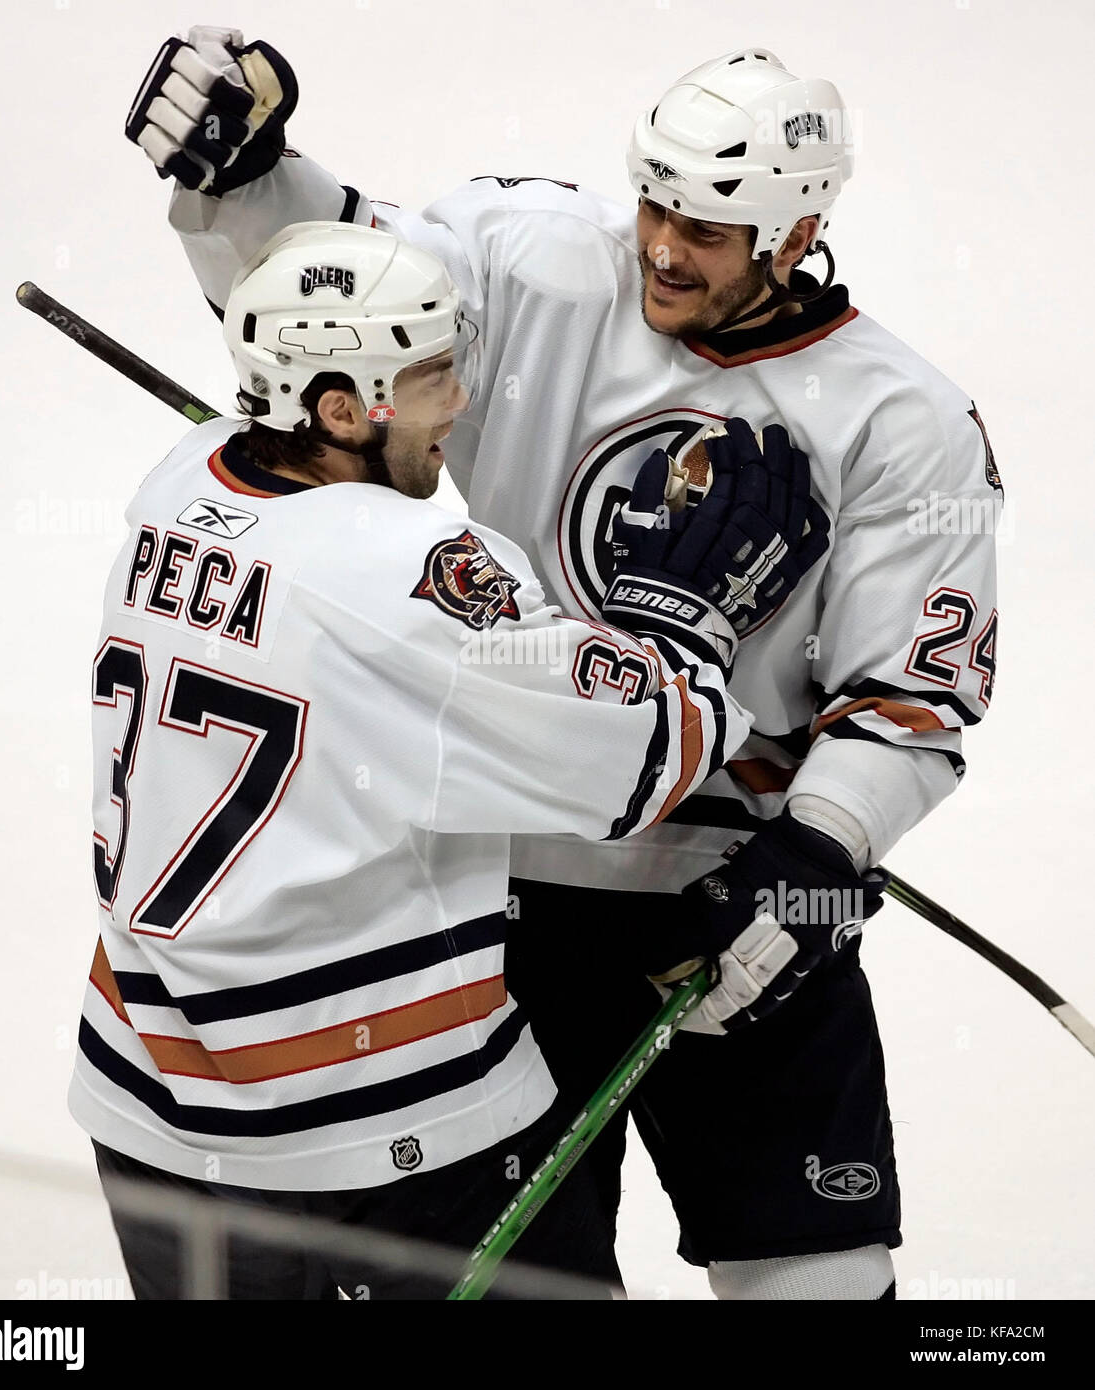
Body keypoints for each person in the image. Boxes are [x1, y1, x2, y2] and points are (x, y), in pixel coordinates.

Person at [125, 33, 1001, 1300]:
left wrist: (818, 848)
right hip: (499, 889)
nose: (661, 245)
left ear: (797, 230)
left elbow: (909, 702)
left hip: (736, 895)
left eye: (708, 228)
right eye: (655, 203)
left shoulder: (902, 421)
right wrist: (252, 169)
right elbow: (349, 279)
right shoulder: (534, 261)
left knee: (819, 1280)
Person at [68, 217, 829, 1299]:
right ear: (339, 407)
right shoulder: (416, 571)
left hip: (145, 1106)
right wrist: (683, 626)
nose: (460, 404)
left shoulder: (176, 481)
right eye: (431, 378)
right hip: (376, 1134)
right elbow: (636, 755)